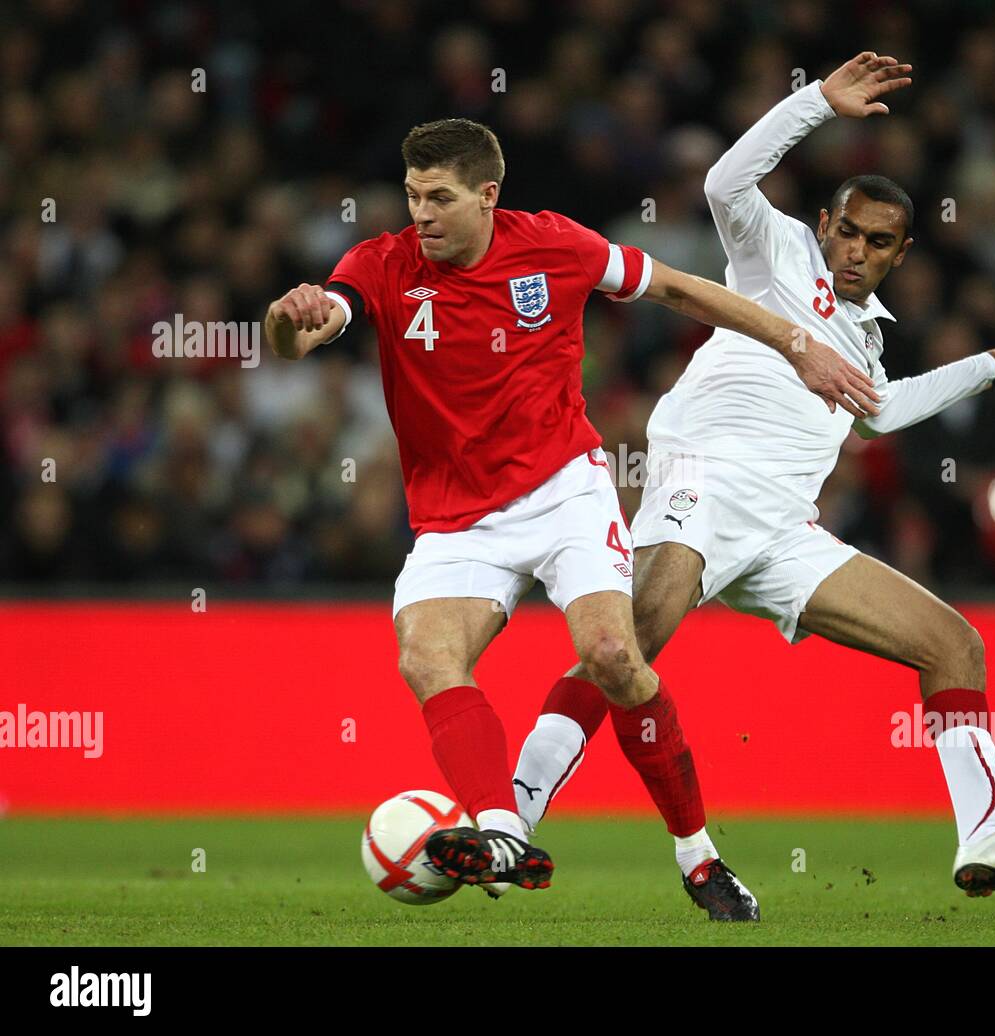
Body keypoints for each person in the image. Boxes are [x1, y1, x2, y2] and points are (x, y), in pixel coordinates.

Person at [512, 52, 995, 904]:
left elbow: (882, 411)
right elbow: (721, 181)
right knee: (630, 641)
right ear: (825, 223)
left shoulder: (867, 338)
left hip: (785, 531)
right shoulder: (774, 251)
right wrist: (818, 103)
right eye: (848, 231)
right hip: (705, 480)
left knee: (955, 645)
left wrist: (980, 369)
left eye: (878, 242)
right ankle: (509, 822)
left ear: (901, 252)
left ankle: (988, 839)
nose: (856, 252)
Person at [264, 117, 879, 913]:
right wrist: (290, 317)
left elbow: (679, 289)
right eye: (413, 196)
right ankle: (499, 831)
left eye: (440, 198)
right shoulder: (380, 266)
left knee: (615, 659)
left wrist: (797, 343)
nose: (421, 214)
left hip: (563, 490)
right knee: (426, 659)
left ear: (488, 195)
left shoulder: (557, 247)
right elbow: (305, 336)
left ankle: (698, 859)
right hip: (455, 518)